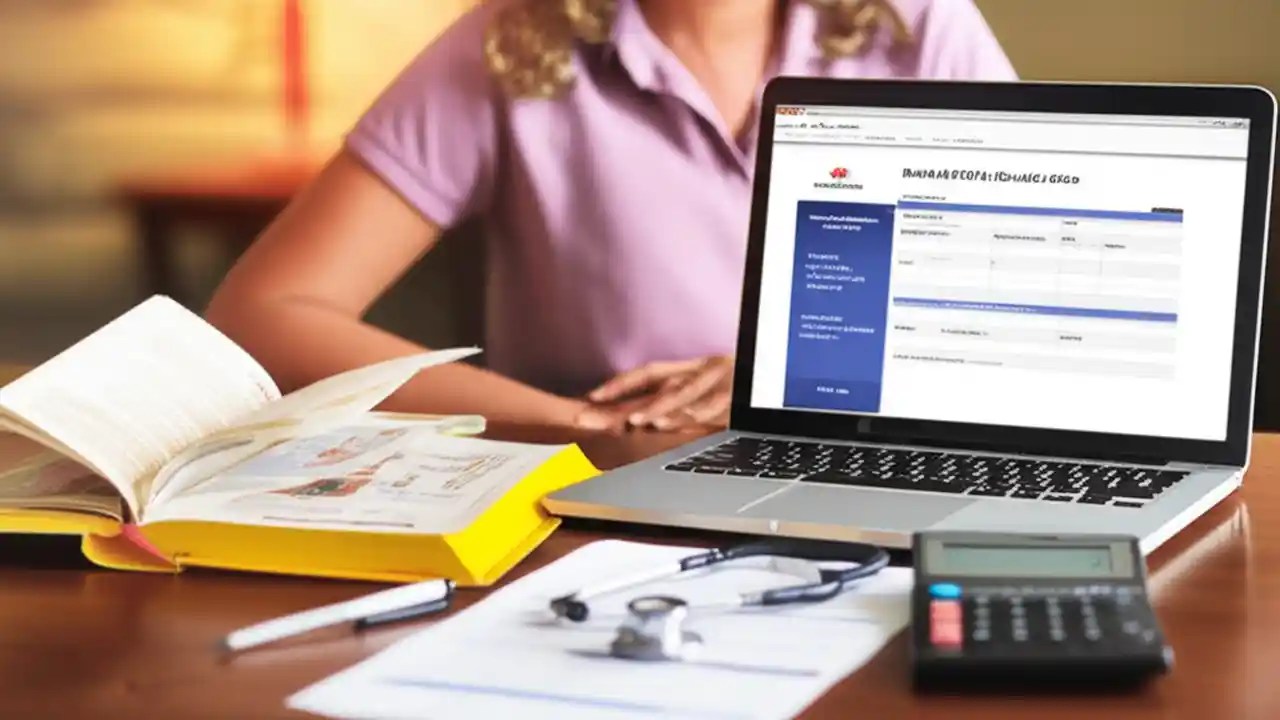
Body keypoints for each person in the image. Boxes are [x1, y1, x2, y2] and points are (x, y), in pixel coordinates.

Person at [206, 0, 1017, 434]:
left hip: (877, 468)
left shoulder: (921, 28)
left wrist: (785, 381)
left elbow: (1026, 327)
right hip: (602, 496)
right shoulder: (511, 44)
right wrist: (584, 422)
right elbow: (265, 316)